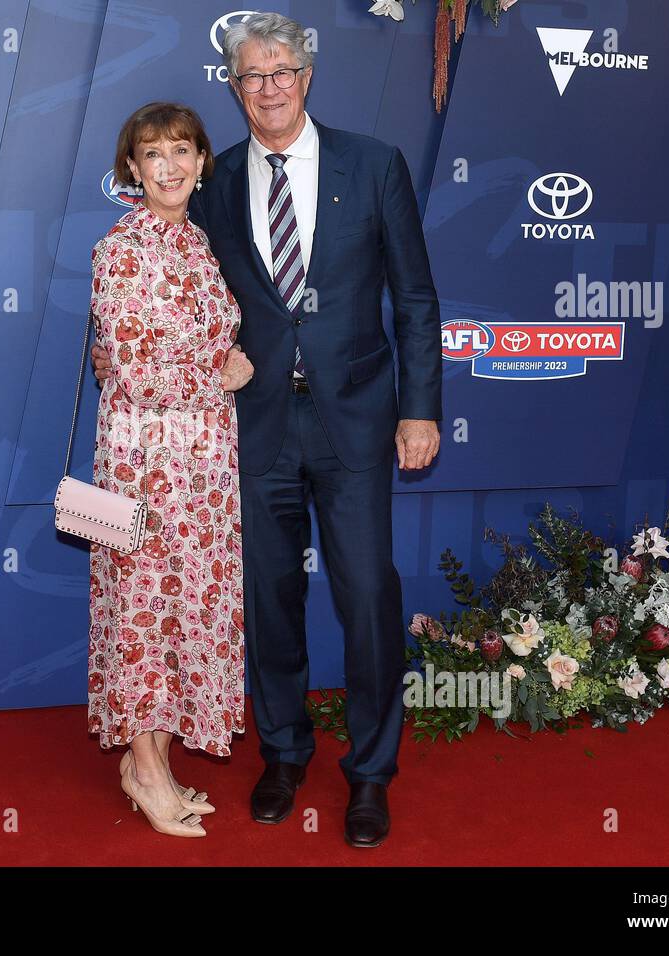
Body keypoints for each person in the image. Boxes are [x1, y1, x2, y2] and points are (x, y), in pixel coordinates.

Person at [92, 12, 443, 848]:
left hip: (355, 421)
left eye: (283, 70)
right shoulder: (209, 185)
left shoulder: (375, 164)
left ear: (307, 77)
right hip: (246, 431)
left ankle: (369, 773)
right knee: (267, 599)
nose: (270, 87)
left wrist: (419, 406)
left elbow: (417, 299)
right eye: (253, 75)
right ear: (235, 88)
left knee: (366, 595)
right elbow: (164, 303)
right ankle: (283, 752)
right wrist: (119, 360)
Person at [87, 102, 255, 838]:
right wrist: (224, 375)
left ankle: (148, 761)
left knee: (183, 606)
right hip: (145, 461)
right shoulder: (121, 248)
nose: (170, 166)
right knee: (145, 605)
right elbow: (131, 367)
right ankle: (146, 771)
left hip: (205, 464)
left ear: (200, 160)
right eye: (153, 154)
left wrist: (218, 375)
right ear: (132, 169)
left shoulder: (195, 241)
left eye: (181, 151)